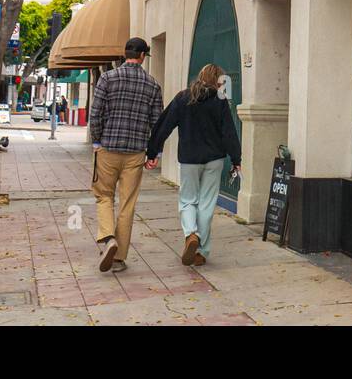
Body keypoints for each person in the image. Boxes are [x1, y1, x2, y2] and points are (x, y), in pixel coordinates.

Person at [146, 63, 242, 267]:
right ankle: (201, 251)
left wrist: (153, 151)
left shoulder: (183, 98)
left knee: (188, 200)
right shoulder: (220, 100)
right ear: (217, 81)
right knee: (207, 203)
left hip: (189, 158)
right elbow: (229, 132)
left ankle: (191, 233)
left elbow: (164, 124)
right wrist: (236, 159)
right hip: (215, 158)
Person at [89, 38, 163, 273]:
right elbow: (157, 122)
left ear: (125, 54)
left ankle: (108, 238)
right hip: (135, 153)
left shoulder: (107, 78)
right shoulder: (152, 85)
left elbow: (96, 112)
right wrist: (154, 152)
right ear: (142, 56)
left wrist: (97, 140)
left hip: (108, 148)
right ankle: (119, 257)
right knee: (127, 204)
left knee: (104, 196)